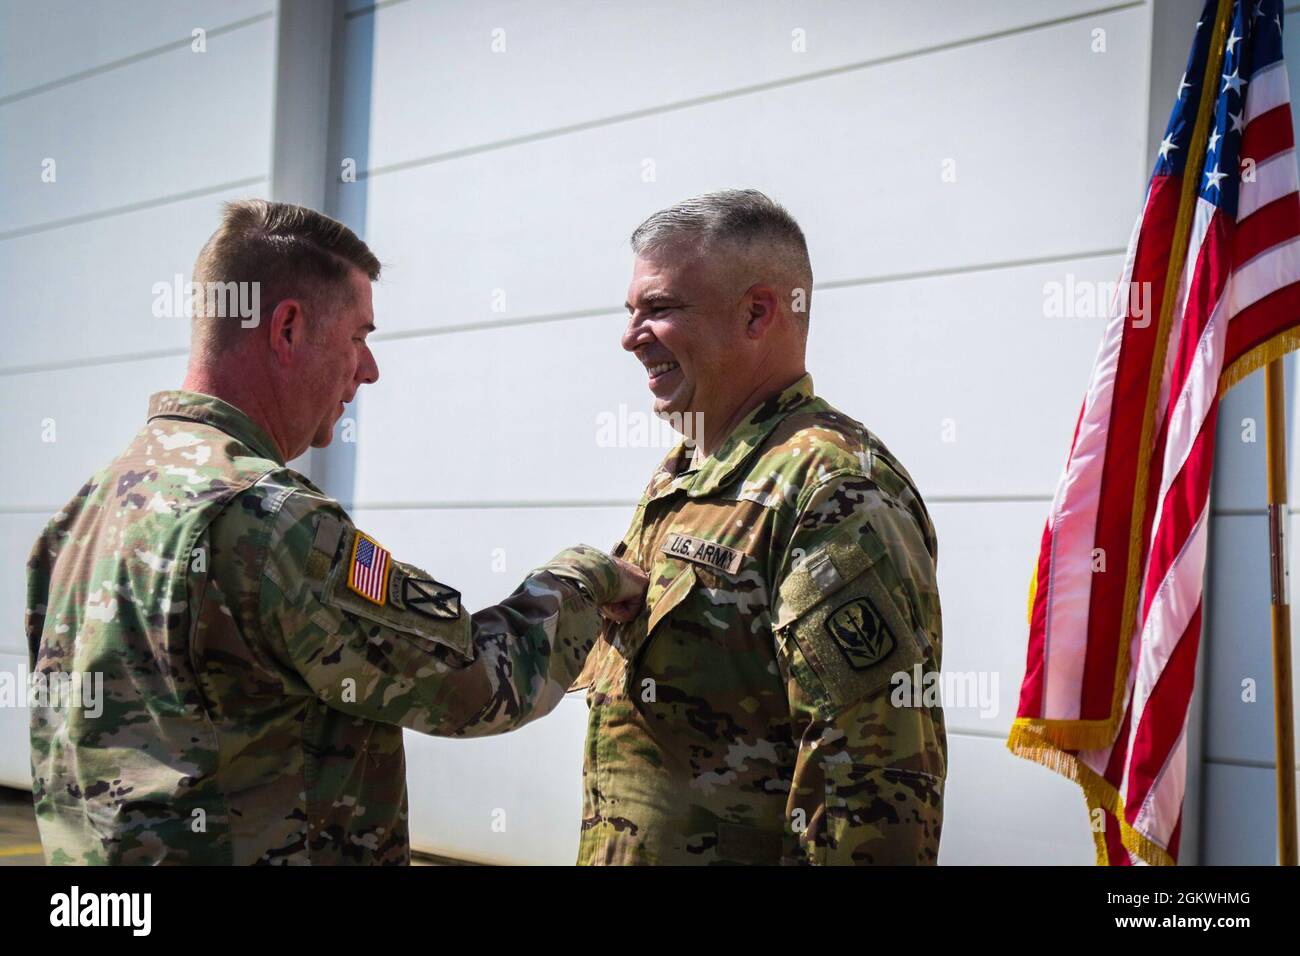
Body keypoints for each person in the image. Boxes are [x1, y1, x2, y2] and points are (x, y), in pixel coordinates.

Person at [25, 199, 646, 865]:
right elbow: (472, 687)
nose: (369, 369)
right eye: (359, 337)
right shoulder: (268, 519)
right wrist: (585, 579)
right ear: (288, 328)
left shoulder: (84, 512)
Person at [574, 189, 945, 865]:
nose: (630, 338)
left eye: (658, 309)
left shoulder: (833, 487)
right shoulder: (687, 472)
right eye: (631, 312)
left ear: (756, 312)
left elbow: (869, 781)